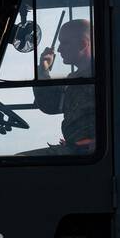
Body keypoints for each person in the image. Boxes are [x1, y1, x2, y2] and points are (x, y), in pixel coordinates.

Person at [33, 18, 96, 153]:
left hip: (88, 152)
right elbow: (49, 104)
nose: (60, 49)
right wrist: (44, 68)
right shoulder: (74, 78)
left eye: (65, 43)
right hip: (76, 146)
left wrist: (95, 141)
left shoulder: (104, 75)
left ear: (82, 44)